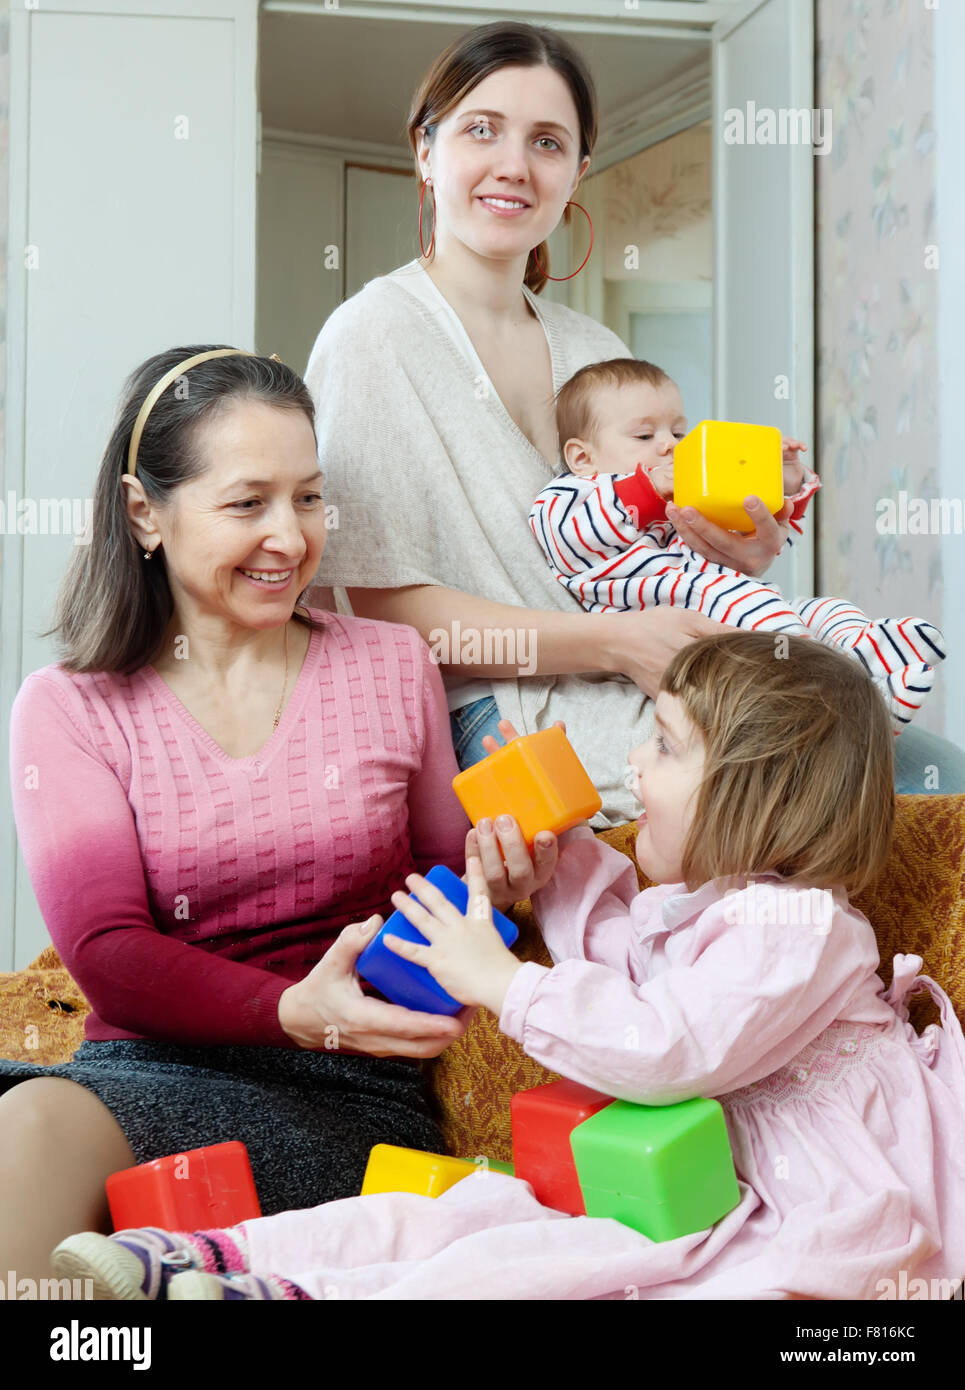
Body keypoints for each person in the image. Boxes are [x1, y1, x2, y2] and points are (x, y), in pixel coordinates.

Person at [53, 632, 965, 1300]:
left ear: (760, 793)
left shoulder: (799, 929)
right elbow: (613, 958)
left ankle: (288, 1293)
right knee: (479, 1210)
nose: (634, 765)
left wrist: (498, 979)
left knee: (547, 1261)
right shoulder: (707, 906)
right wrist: (556, 850)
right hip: (692, 1176)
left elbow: (666, 1047)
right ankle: (222, 1258)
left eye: (665, 744)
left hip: (797, 1202)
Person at [301, 18, 965, 813]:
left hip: (659, 690)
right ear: (424, 150)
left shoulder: (592, 347)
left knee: (936, 773)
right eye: (482, 130)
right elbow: (382, 617)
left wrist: (733, 551)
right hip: (499, 721)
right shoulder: (372, 336)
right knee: (838, 795)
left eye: (547, 143)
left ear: (577, 171)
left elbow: (637, 549)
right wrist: (614, 644)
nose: (513, 165)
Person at [0, 344, 543, 1283]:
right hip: (147, 1068)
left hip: (345, 1082)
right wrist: (286, 1007)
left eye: (308, 497)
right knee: (32, 1122)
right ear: (145, 513)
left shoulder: (389, 663)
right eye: (247, 503)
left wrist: (498, 881)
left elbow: (439, 882)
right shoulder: (69, 706)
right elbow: (110, 957)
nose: (289, 538)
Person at [529, 358, 946, 732]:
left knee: (823, 608)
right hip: (684, 623)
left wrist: (783, 482)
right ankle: (834, 702)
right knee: (761, 616)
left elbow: (748, 530)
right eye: (644, 435)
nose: (669, 444)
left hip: (733, 601)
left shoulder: (689, 494)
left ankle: (869, 667)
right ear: (583, 458)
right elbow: (572, 537)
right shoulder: (568, 497)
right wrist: (648, 487)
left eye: (678, 430)